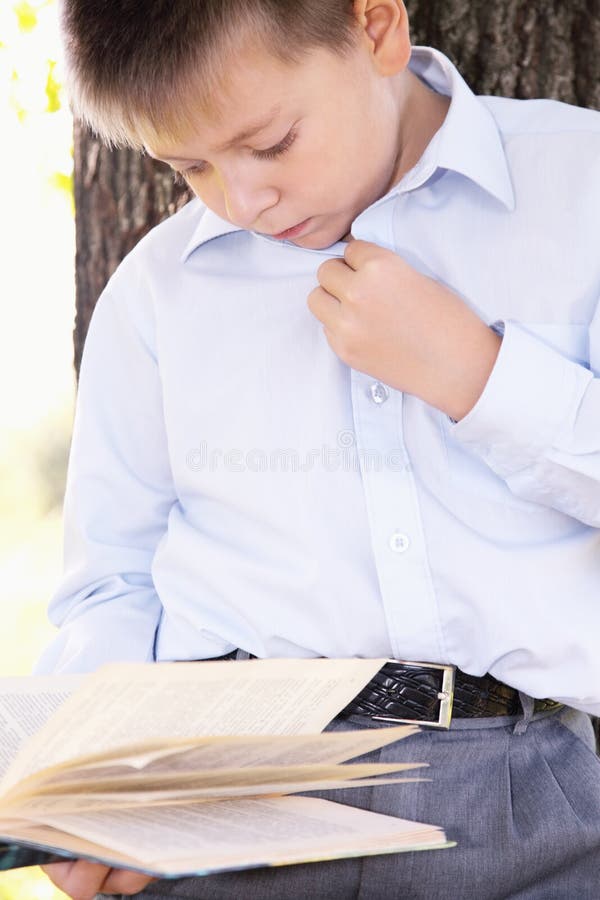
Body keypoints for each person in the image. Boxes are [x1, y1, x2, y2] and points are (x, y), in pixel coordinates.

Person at [36, 0, 600, 897]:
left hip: (539, 804)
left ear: (375, 28)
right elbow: (113, 578)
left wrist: (479, 377)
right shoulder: (157, 294)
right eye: (190, 167)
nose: (242, 200)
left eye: (271, 144)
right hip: (225, 797)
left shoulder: (583, 187)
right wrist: (85, 778)